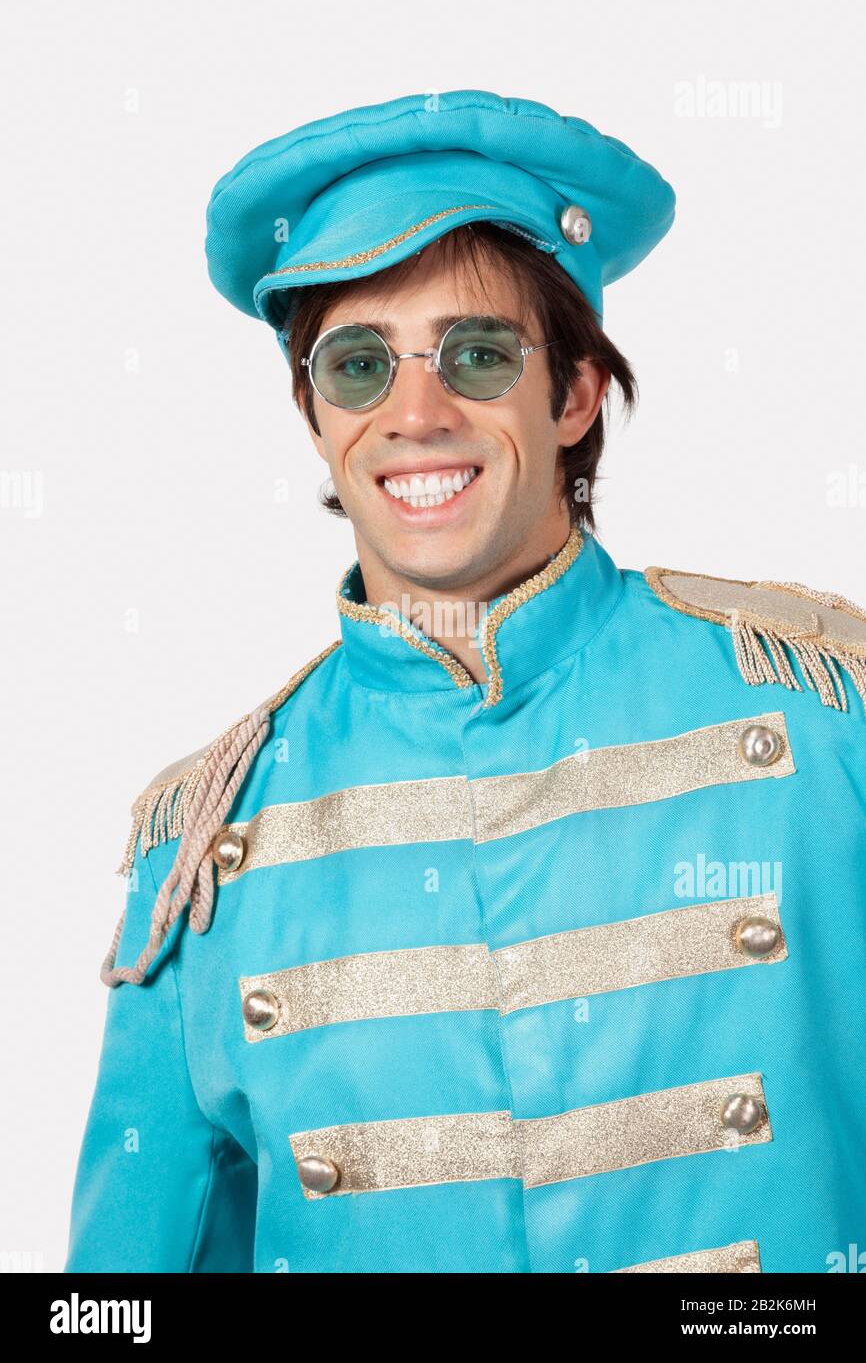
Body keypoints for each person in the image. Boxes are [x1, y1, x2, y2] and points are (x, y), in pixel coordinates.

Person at [64, 89, 866, 1275]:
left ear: (575, 393)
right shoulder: (202, 847)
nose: (416, 412)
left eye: (477, 355)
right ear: (312, 415)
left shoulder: (822, 716)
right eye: (358, 366)